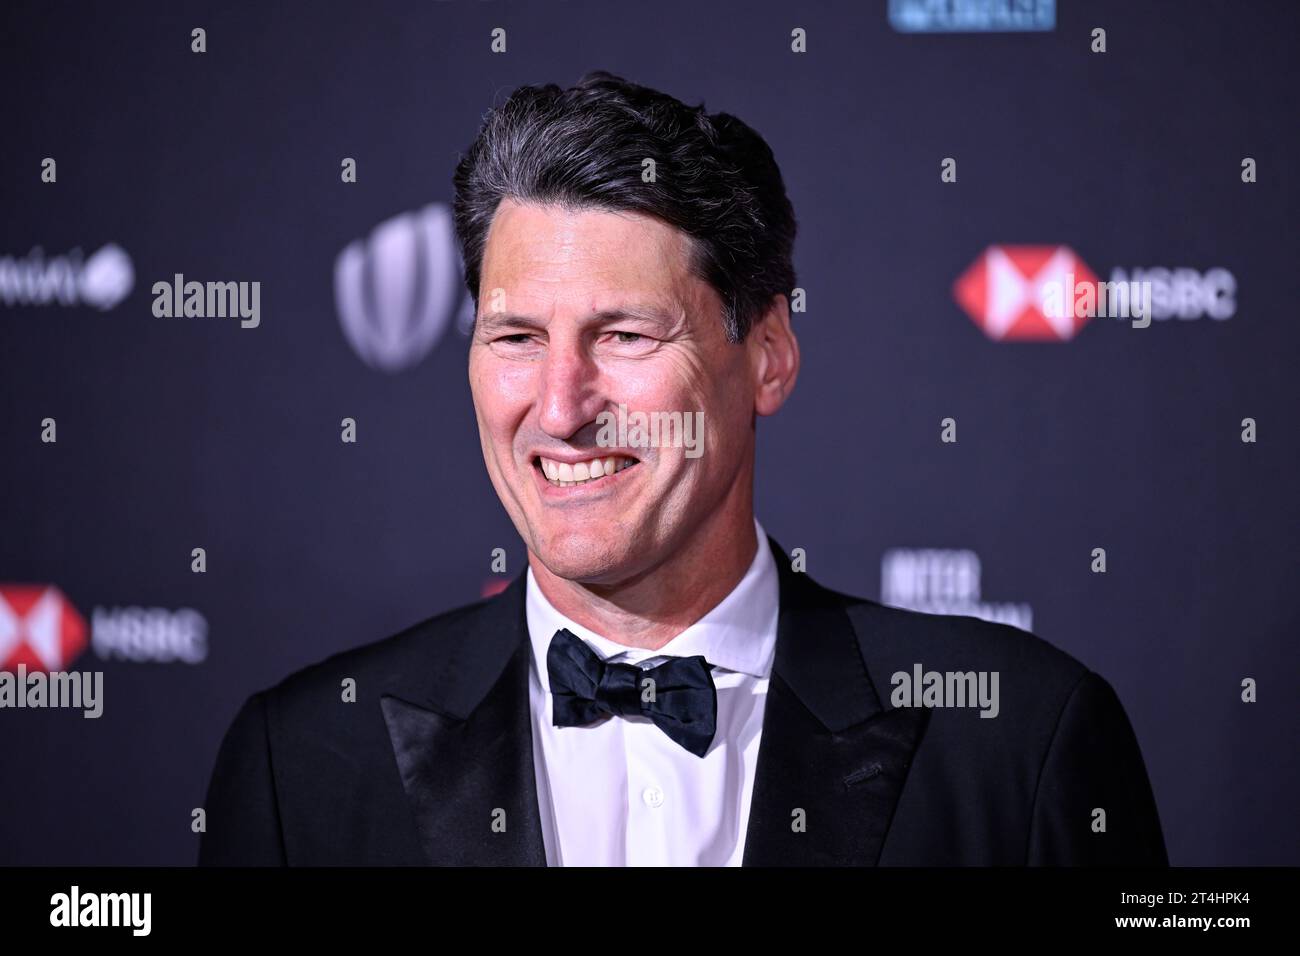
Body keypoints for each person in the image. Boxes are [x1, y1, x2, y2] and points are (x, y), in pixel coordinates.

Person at [198, 71, 1167, 867]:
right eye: (517, 336)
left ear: (769, 354)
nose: (563, 404)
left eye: (623, 333)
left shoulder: (1018, 743)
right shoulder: (306, 761)